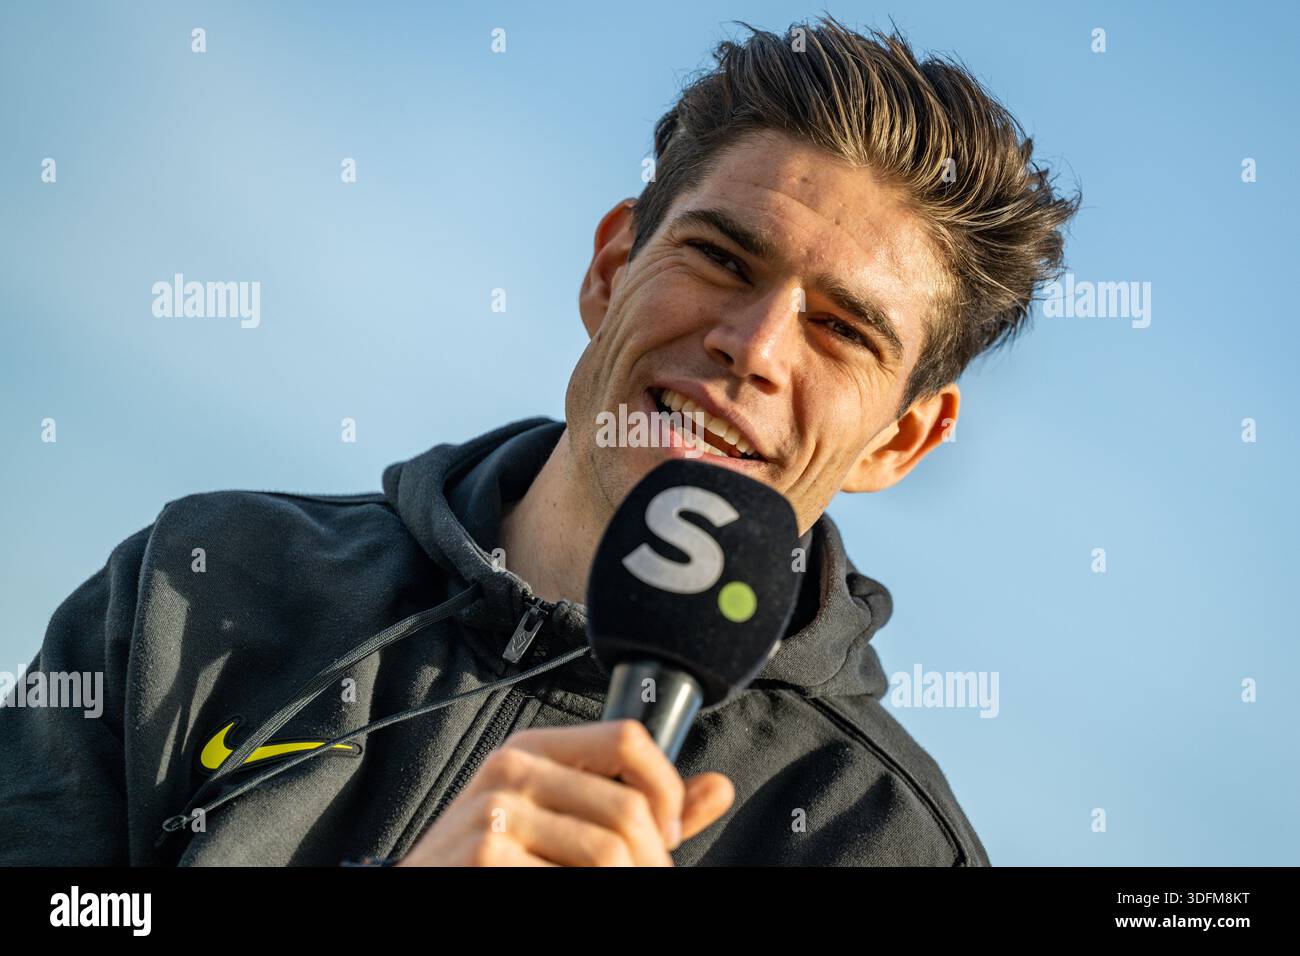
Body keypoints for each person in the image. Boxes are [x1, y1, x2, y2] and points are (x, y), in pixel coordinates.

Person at [0, 16, 1077, 866]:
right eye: (722, 259)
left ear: (903, 440)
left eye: (841, 329)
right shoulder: (205, 584)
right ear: (611, 267)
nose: (752, 346)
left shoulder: (876, 839)